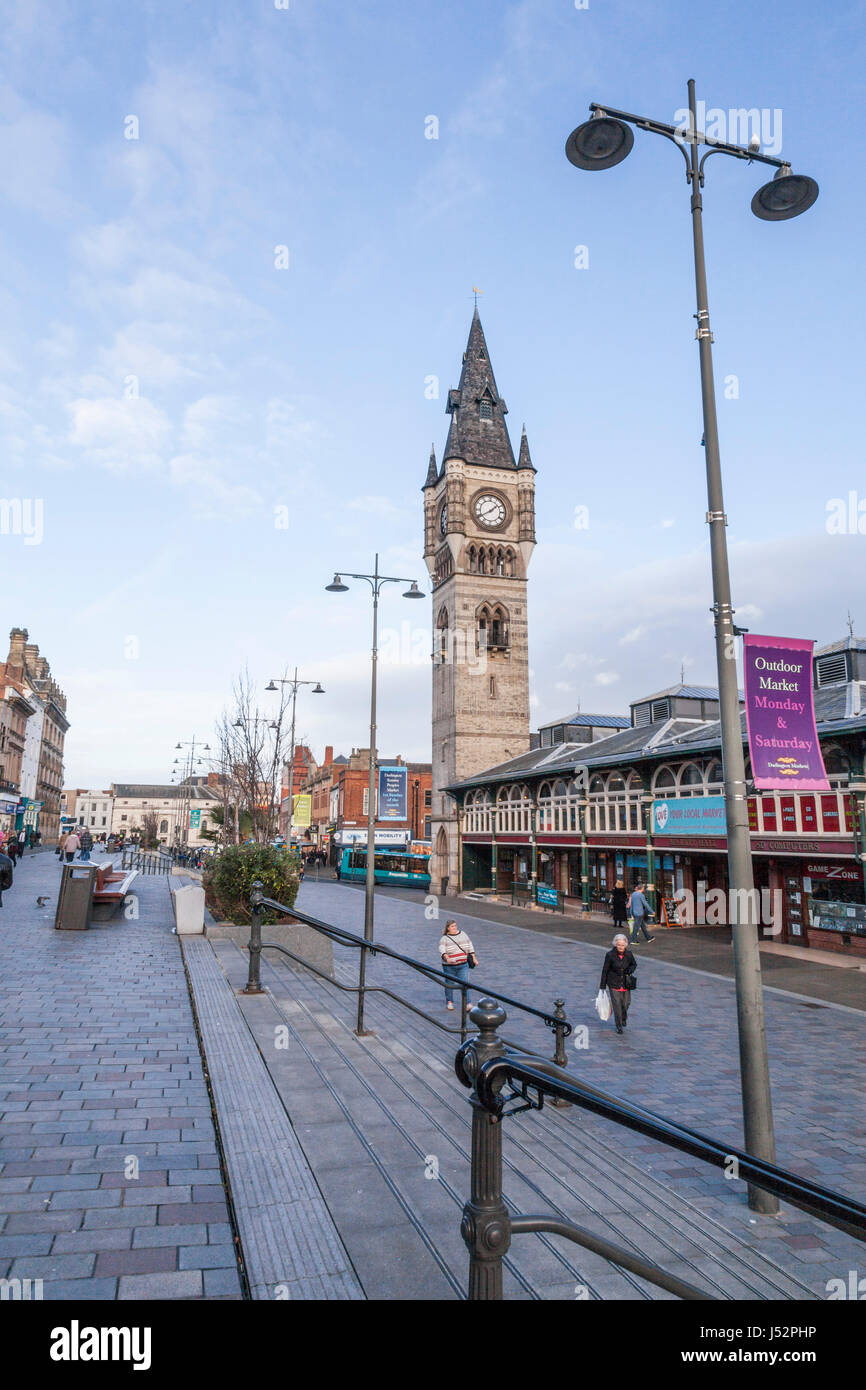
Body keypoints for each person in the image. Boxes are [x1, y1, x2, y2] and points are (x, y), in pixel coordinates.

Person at [599, 932, 637, 1034]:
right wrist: (602, 986)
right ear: (615, 944)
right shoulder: (610, 955)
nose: (620, 947)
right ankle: (619, 1025)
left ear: (626, 945)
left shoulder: (629, 954)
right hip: (613, 983)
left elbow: (634, 964)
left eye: (622, 945)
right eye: (619, 945)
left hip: (625, 983)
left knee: (626, 1003)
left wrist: (630, 970)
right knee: (617, 1005)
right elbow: (605, 970)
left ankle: (623, 1018)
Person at [439, 919, 477, 1012]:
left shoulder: (463, 934)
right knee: (449, 984)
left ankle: (468, 1003)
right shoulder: (444, 938)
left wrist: (474, 957)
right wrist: (447, 958)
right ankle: (450, 1002)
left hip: (463, 964)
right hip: (449, 966)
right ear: (448, 928)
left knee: (464, 983)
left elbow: (470, 945)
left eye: (455, 926)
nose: (454, 928)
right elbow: (442, 949)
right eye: (452, 926)